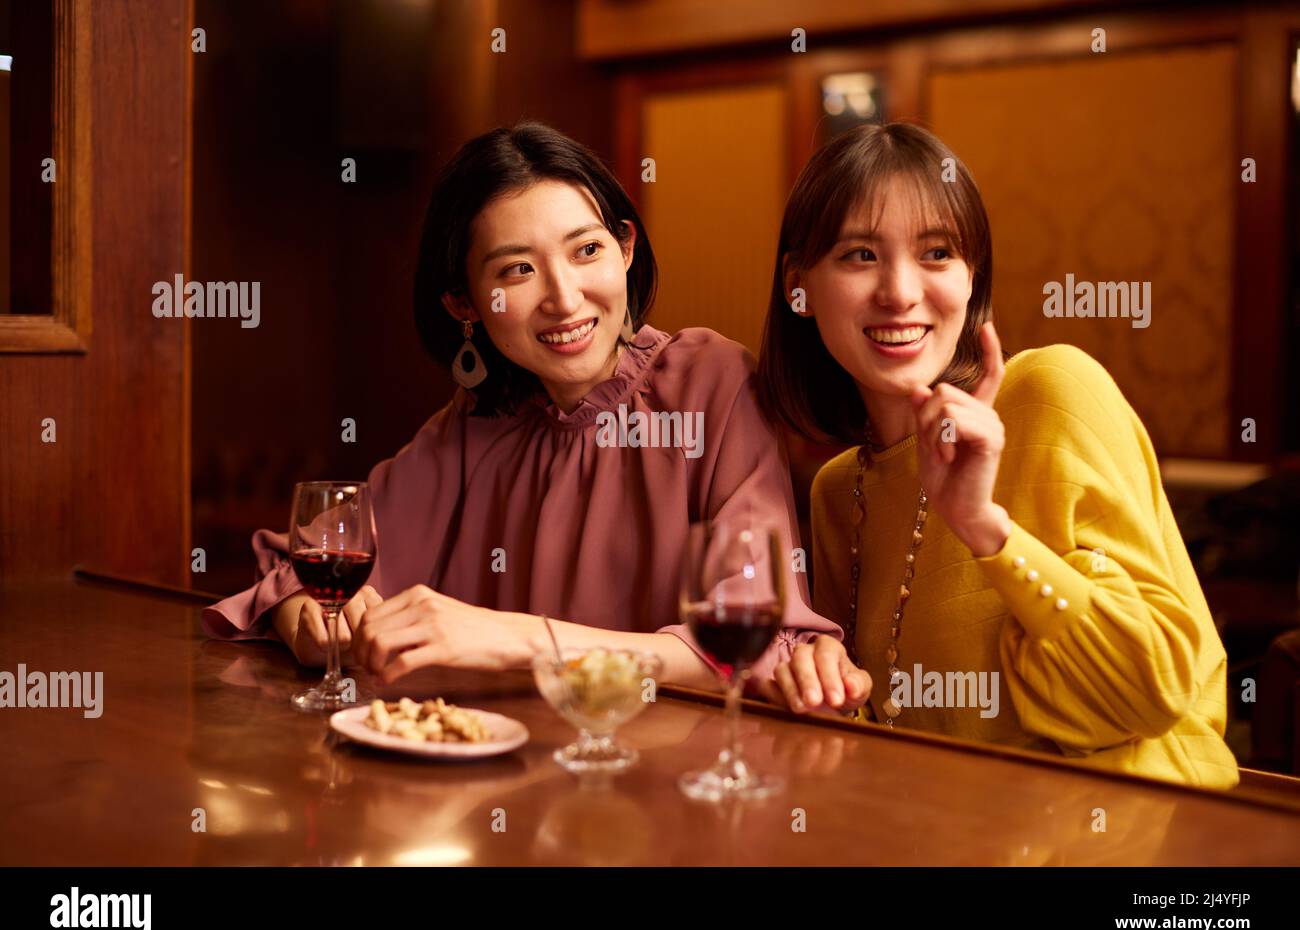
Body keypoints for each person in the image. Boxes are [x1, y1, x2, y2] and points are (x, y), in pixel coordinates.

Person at [202, 121, 863, 708]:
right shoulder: (477, 422)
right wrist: (309, 616)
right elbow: (310, 558)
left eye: (586, 250)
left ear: (625, 248)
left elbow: (757, 641)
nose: (565, 297)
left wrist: (515, 639)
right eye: (518, 269)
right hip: (506, 798)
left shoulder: (709, 382)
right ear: (465, 302)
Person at [757, 121, 1238, 788]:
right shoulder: (840, 488)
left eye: (936, 253)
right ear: (797, 287)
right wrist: (819, 682)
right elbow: (883, 719)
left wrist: (987, 529)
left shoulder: (1054, 392)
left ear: (971, 274)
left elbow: (1150, 695)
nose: (899, 291)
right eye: (860, 255)